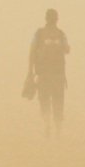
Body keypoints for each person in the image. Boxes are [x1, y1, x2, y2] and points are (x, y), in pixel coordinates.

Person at [28, 8, 71, 138]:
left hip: (43, 74)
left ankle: (47, 124)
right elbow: (67, 50)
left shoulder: (39, 33)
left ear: (46, 18)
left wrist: (30, 72)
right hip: (58, 74)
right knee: (58, 100)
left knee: (44, 99)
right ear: (56, 19)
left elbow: (32, 52)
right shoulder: (61, 33)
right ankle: (58, 128)